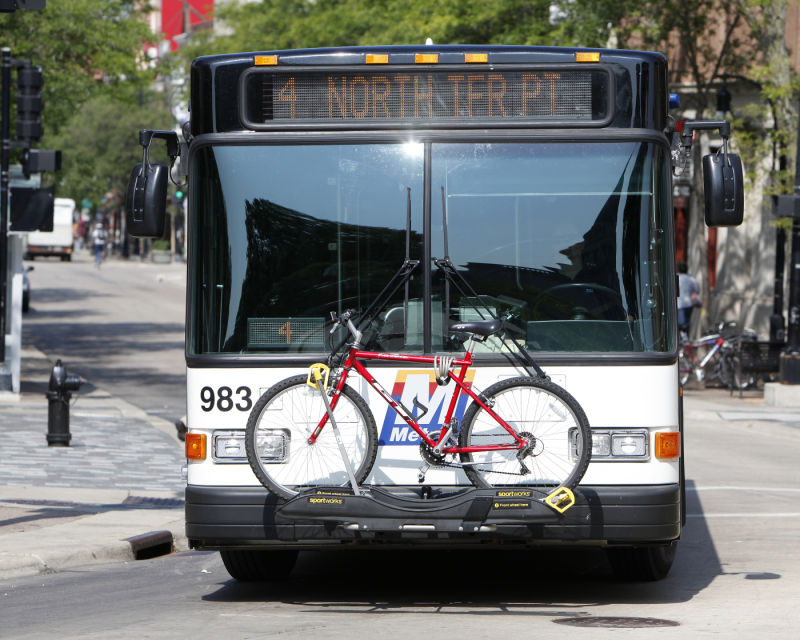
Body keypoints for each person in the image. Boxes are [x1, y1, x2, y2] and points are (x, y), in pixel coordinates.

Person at [677, 261, 701, 334]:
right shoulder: (691, 279)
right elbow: (696, 290)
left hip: (679, 304)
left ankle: (682, 341)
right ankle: (686, 338)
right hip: (689, 304)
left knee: (681, 325)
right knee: (686, 323)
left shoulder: (676, 277)